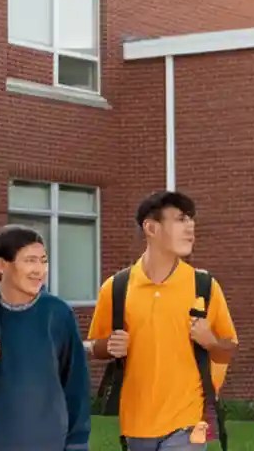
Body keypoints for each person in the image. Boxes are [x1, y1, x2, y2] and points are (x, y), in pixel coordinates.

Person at [88, 191, 237, 451]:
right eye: (180, 219)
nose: (190, 227)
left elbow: (226, 352)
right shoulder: (116, 288)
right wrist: (110, 346)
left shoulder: (204, 286)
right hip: (136, 422)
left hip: (189, 419)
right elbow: (97, 347)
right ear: (151, 228)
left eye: (191, 220)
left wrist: (211, 341)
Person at [0, 225, 91, 451]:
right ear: (1, 265)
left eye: (43, 261)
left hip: (49, 444)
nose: (40, 270)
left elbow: (76, 384)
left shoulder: (58, 313)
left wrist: (77, 443)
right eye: (30, 260)